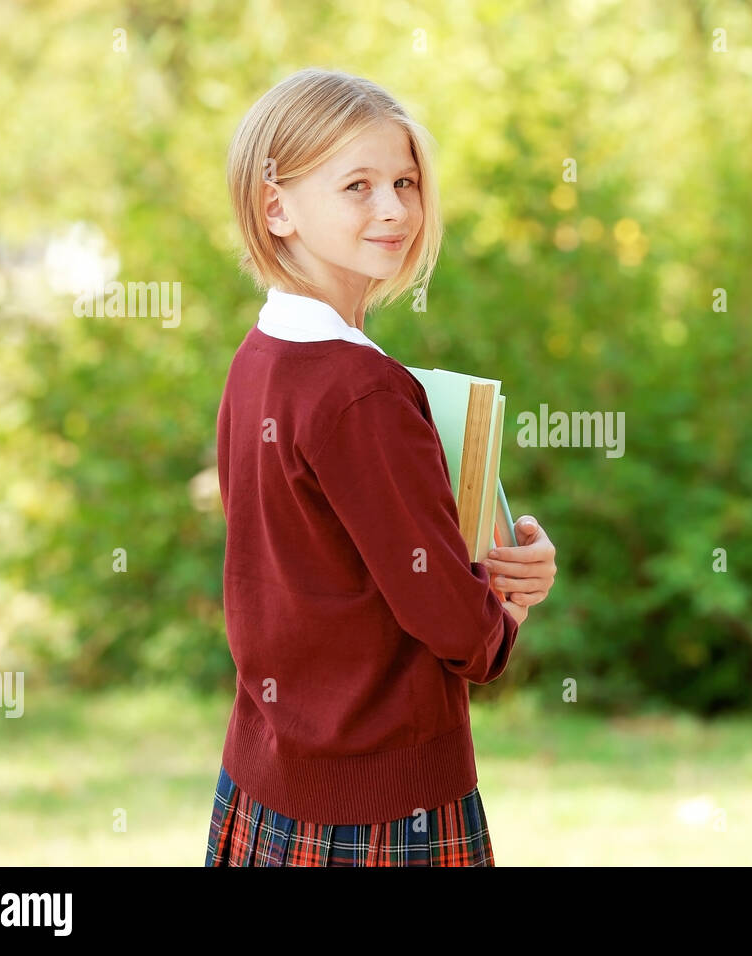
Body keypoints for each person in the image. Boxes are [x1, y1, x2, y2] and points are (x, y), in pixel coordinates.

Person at [204, 68, 556, 866]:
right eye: (357, 186)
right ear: (276, 207)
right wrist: (506, 606)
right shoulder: (363, 390)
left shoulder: (260, 357)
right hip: (380, 808)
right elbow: (458, 628)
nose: (394, 208)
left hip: (269, 773)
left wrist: (490, 559)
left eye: (404, 181)